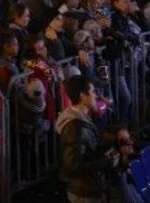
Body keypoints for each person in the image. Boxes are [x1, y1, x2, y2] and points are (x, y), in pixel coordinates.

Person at [58, 75, 114, 203]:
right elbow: (73, 166)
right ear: (83, 96)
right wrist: (103, 162)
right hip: (84, 194)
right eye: (92, 92)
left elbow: (89, 149)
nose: (96, 96)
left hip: (90, 188)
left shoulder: (83, 120)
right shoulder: (75, 127)